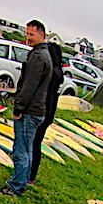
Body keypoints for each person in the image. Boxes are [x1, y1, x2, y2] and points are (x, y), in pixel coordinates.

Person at [0, 19, 52, 196]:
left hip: (30, 111)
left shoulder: (38, 56)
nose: (28, 38)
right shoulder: (44, 54)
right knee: (28, 148)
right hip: (37, 110)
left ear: (41, 35)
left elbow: (29, 86)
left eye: (31, 34)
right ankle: (22, 180)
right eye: (27, 33)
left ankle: (16, 186)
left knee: (21, 149)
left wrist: (18, 108)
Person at [28, 41, 64, 186]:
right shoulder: (57, 71)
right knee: (35, 143)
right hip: (48, 112)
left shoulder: (52, 72)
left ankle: (30, 175)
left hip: (43, 111)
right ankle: (30, 174)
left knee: (34, 143)